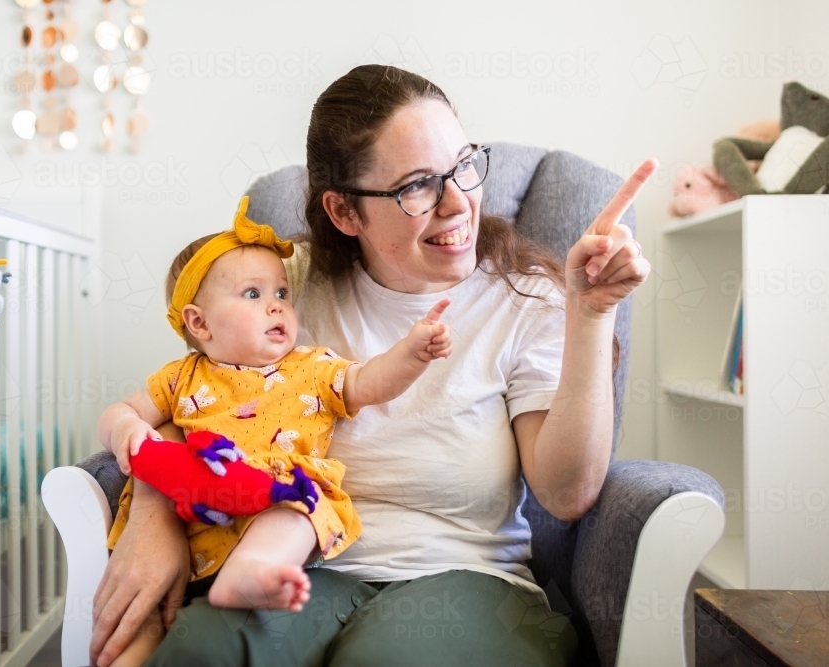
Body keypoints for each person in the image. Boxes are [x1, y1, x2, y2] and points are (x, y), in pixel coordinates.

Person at [90, 64, 655, 667]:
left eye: (464, 165)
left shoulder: (527, 302)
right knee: (198, 653)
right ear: (344, 212)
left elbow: (566, 494)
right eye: (418, 186)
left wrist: (591, 314)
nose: (459, 203)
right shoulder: (283, 293)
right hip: (292, 565)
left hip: (462, 573)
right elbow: (192, 400)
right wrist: (154, 517)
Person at [97, 197, 452, 665]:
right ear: (199, 322)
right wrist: (125, 429)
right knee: (141, 631)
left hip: (272, 496)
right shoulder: (180, 377)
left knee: (303, 502)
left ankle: (254, 570)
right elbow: (120, 410)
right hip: (193, 523)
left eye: (282, 293)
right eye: (253, 294)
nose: (276, 307)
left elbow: (368, 383)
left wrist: (411, 353)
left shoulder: (313, 366)